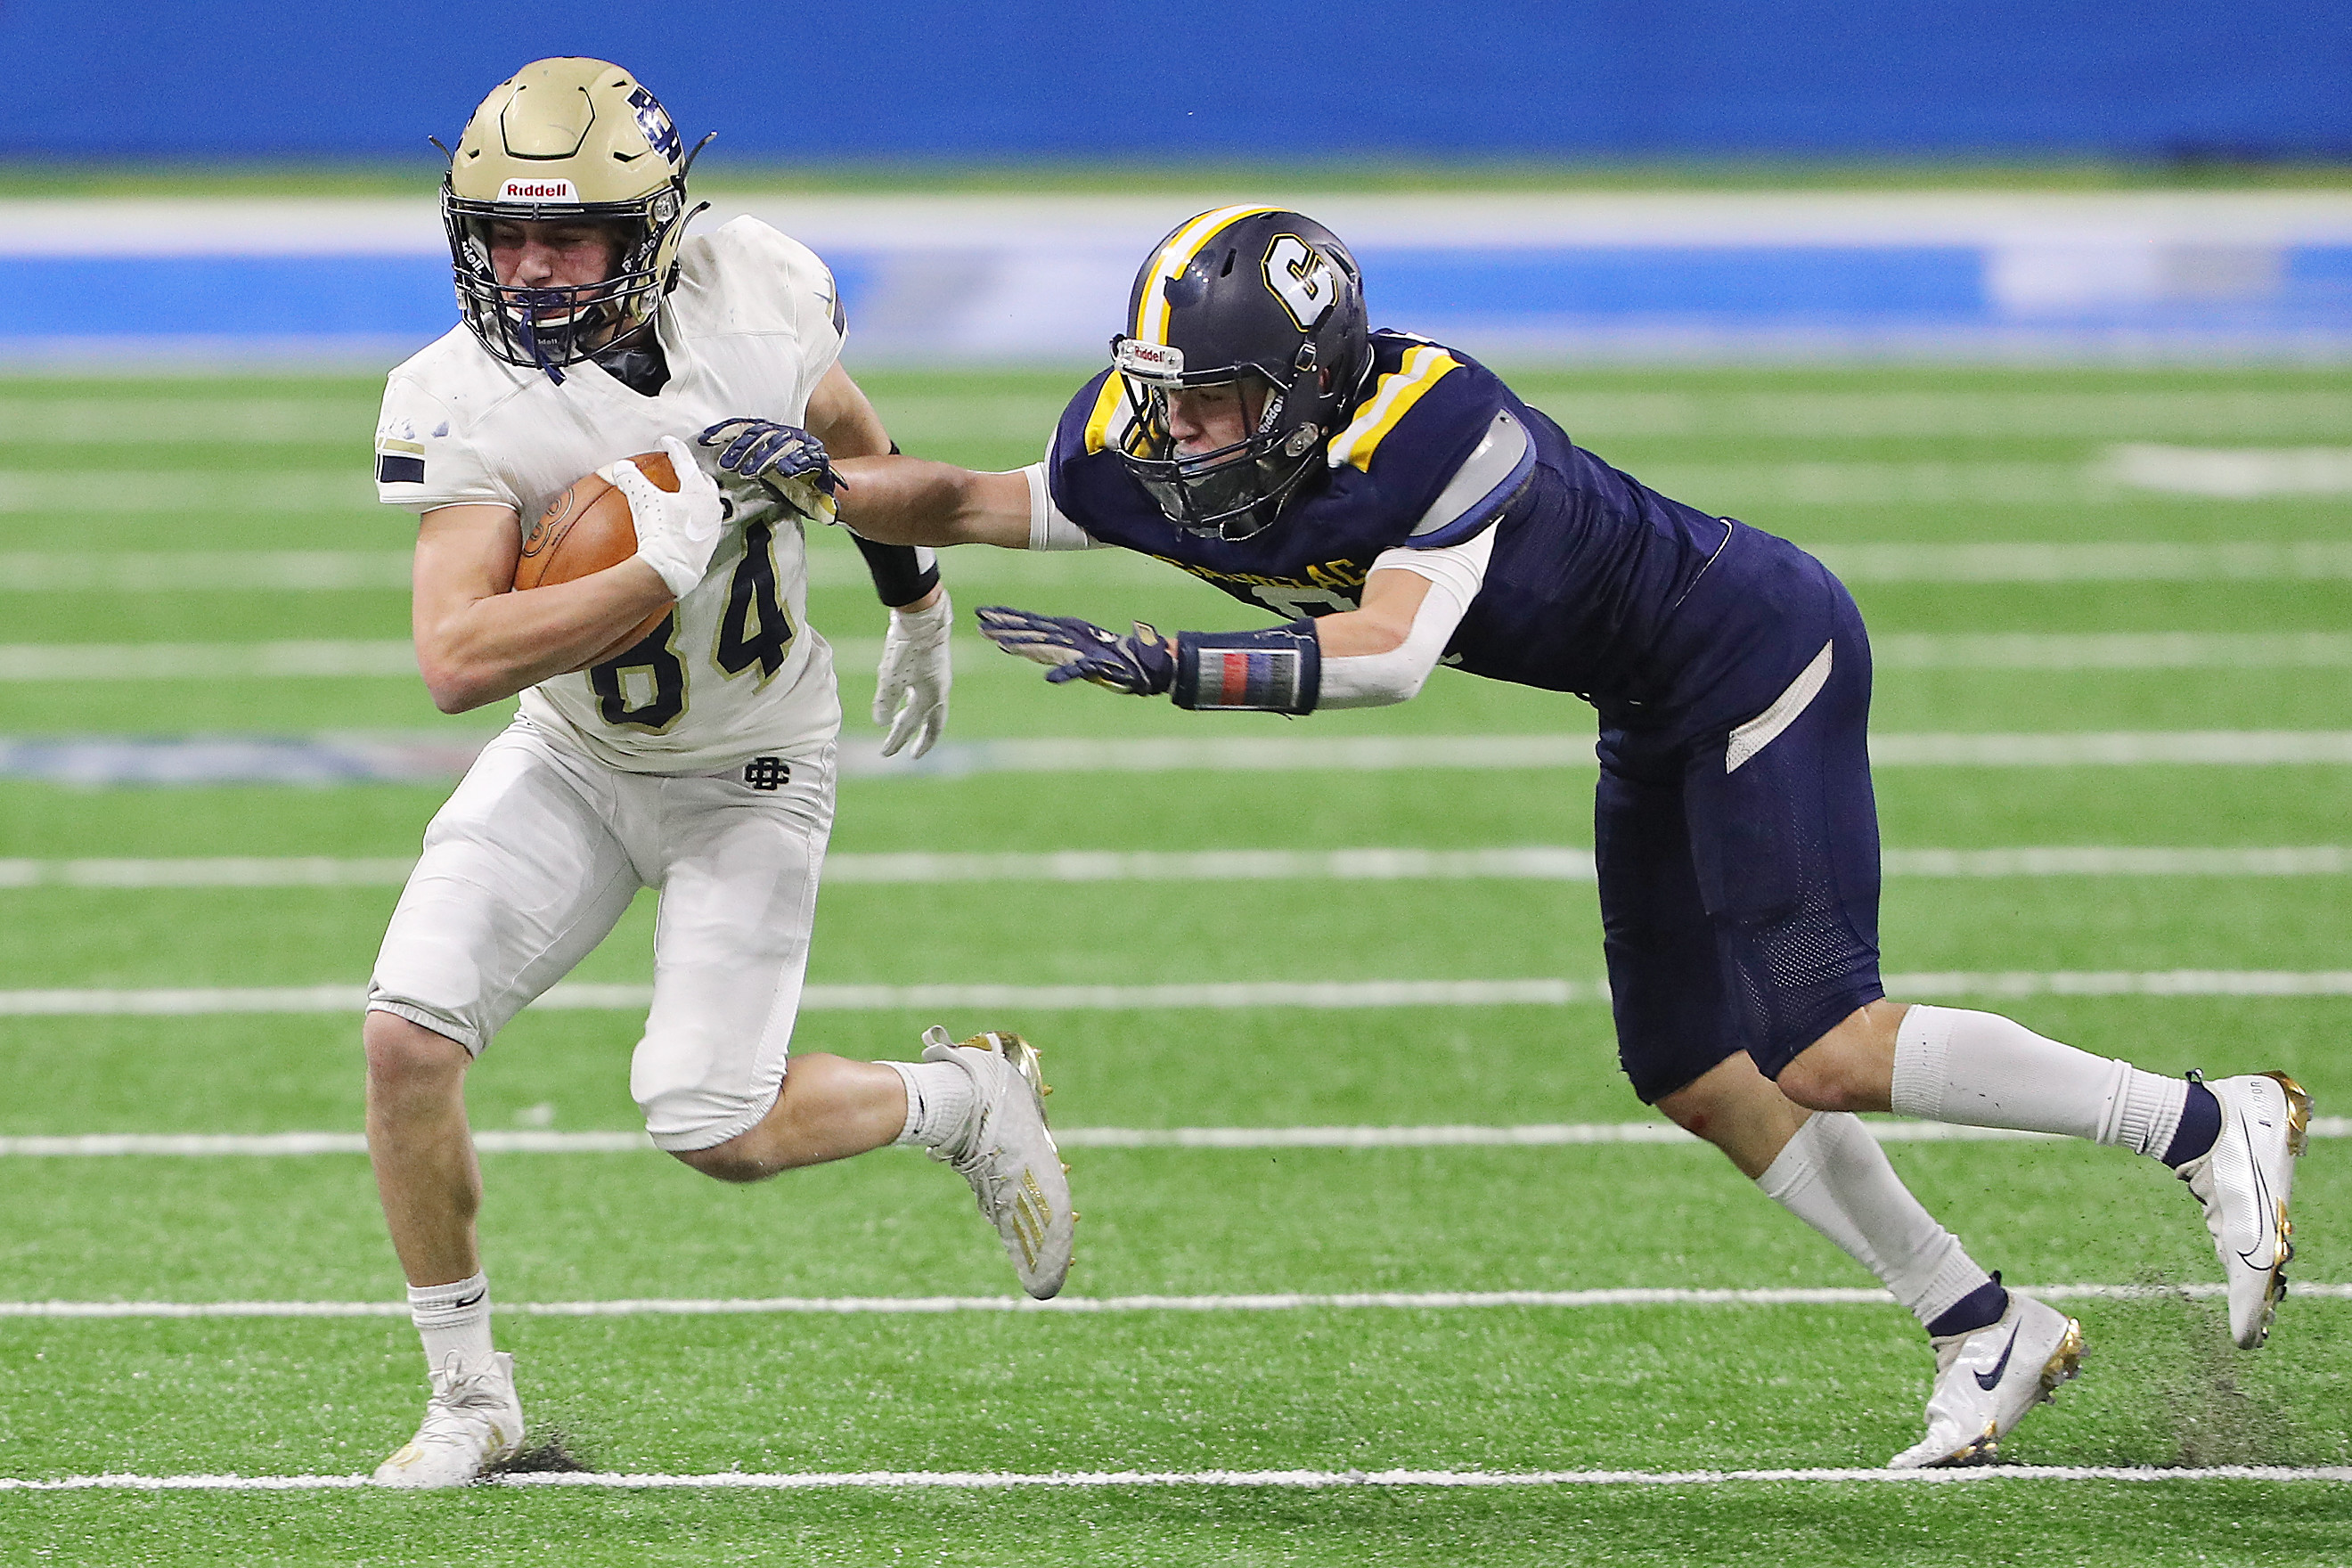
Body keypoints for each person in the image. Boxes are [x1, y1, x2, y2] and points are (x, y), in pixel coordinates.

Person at [761, 205, 2308, 1469]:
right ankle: (1983, 1323)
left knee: (1825, 1044)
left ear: (1307, 386)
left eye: (1214, 401)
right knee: (1695, 1073)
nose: (1177, 431)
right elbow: (963, 497)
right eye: (1166, 395)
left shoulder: (1437, 427)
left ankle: (2200, 1121)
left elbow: (1384, 656)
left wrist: (1177, 664)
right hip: (1644, 704)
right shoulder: (1153, 439)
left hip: (1754, 653)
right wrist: (806, 487)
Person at [363, 58, 1074, 1489]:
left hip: (751, 762)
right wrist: (649, 572)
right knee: (406, 1042)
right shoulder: (458, 394)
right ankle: (469, 1399)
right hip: (573, 754)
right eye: (503, 235)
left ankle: (962, 1100)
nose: (528, 268)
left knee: (714, 1124)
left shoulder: (755, 295)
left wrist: (917, 601)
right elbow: (455, 655)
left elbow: (854, 443)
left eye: (565, 236)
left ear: (652, 233)